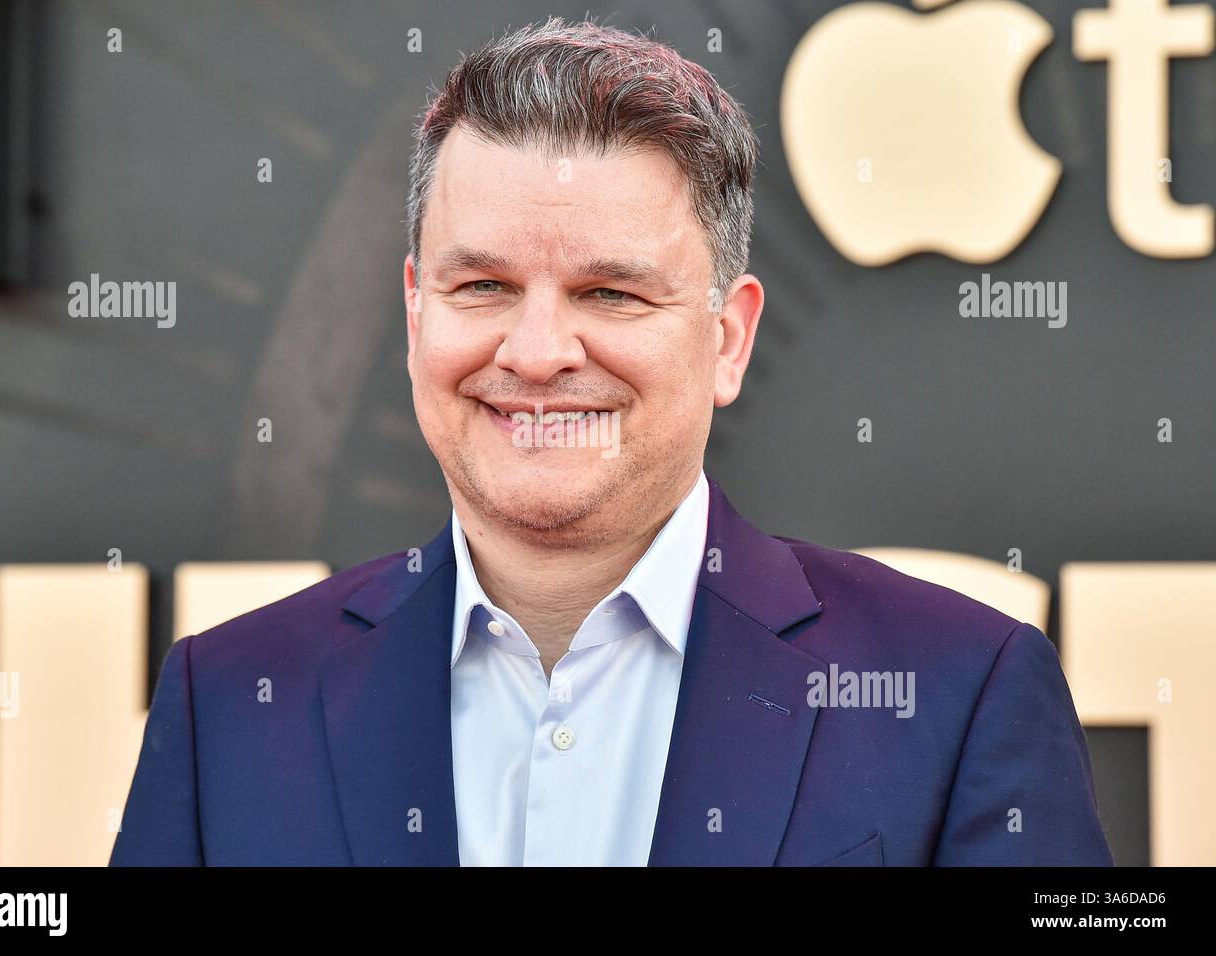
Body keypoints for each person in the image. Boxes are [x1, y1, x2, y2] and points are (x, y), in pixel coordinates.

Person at [110, 17, 1112, 866]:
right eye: (483, 285)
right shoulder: (228, 705)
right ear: (415, 314)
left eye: (610, 292)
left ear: (729, 338)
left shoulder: (961, 691)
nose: (539, 351)